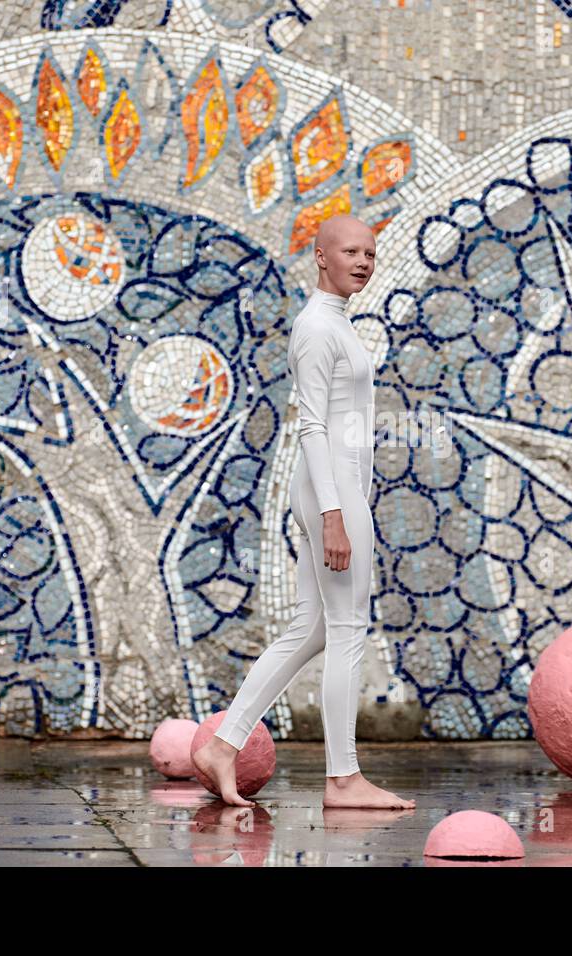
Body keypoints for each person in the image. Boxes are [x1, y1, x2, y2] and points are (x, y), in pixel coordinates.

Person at [191, 214, 415, 810]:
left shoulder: (336, 323)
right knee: (347, 630)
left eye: (370, 251)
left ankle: (223, 743)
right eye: (350, 251)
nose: (363, 261)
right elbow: (311, 424)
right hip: (330, 493)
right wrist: (335, 515)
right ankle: (343, 779)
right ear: (320, 256)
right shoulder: (317, 326)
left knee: (312, 628)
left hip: (332, 491)